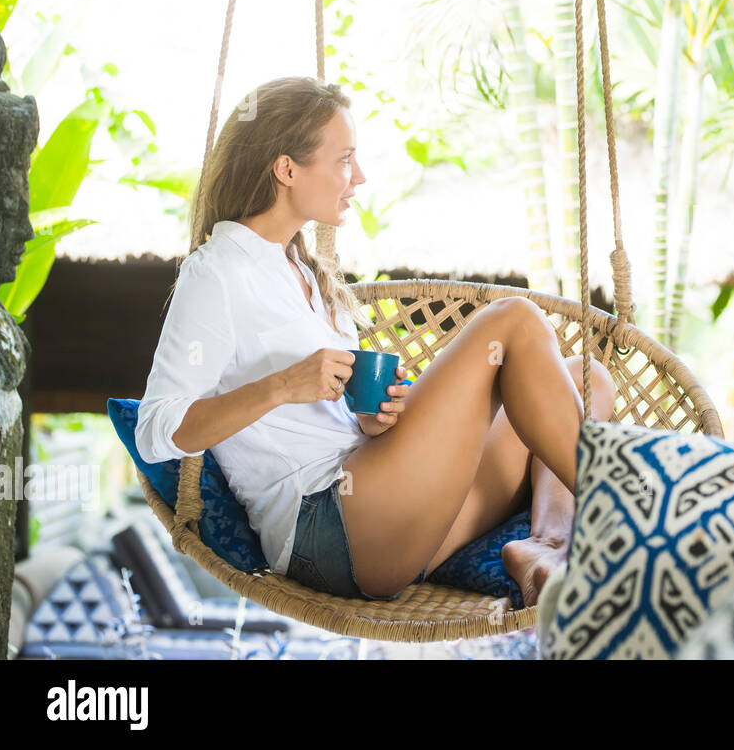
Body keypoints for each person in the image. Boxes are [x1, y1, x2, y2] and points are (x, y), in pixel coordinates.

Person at [137, 76, 613, 606]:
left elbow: (337, 417)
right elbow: (155, 432)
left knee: (587, 379)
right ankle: (631, 511)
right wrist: (280, 387)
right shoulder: (217, 272)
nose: (358, 177)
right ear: (287, 169)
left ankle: (547, 544)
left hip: (390, 508)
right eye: (344, 159)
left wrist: (371, 419)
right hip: (329, 524)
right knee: (515, 321)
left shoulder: (306, 274)